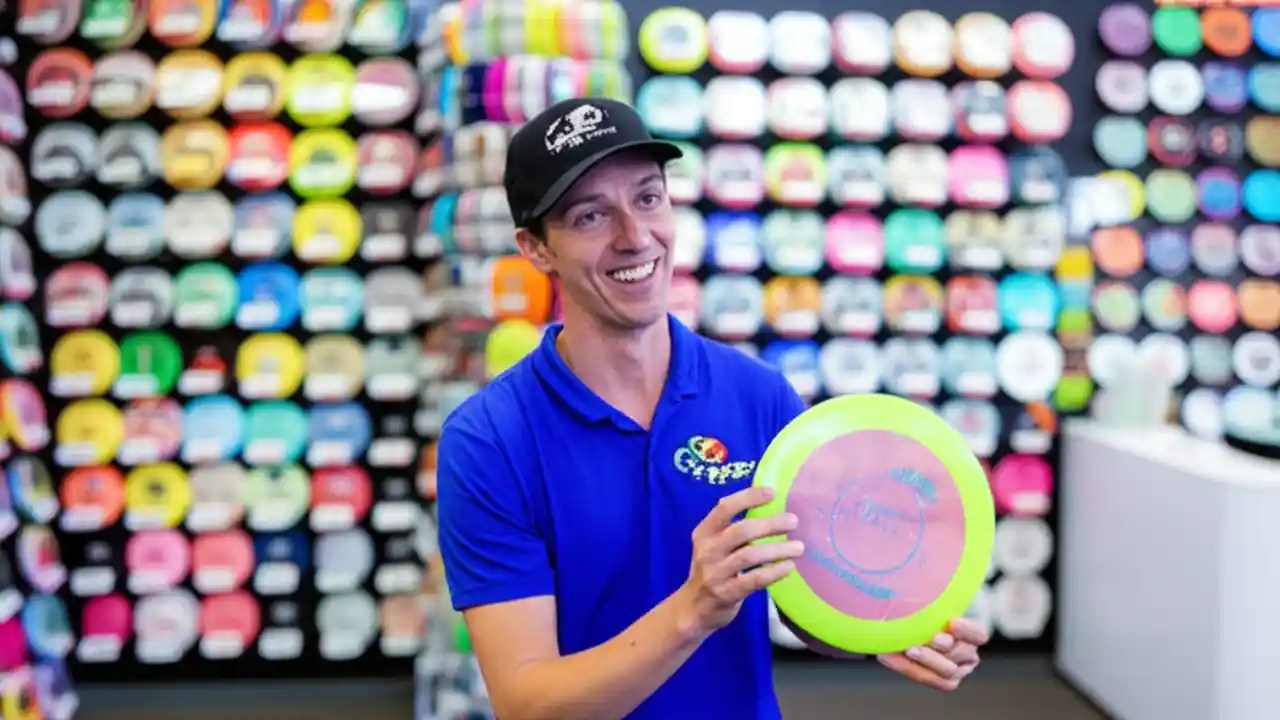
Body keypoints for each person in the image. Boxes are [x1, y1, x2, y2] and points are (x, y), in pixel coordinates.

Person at [436, 97, 989, 720]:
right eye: (591, 216)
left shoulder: (758, 395)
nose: (635, 236)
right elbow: (527, 704)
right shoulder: (488, 441)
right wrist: (693, 610)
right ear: (536, 248)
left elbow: (805, 609)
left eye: (648, 198)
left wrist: (884, 626)